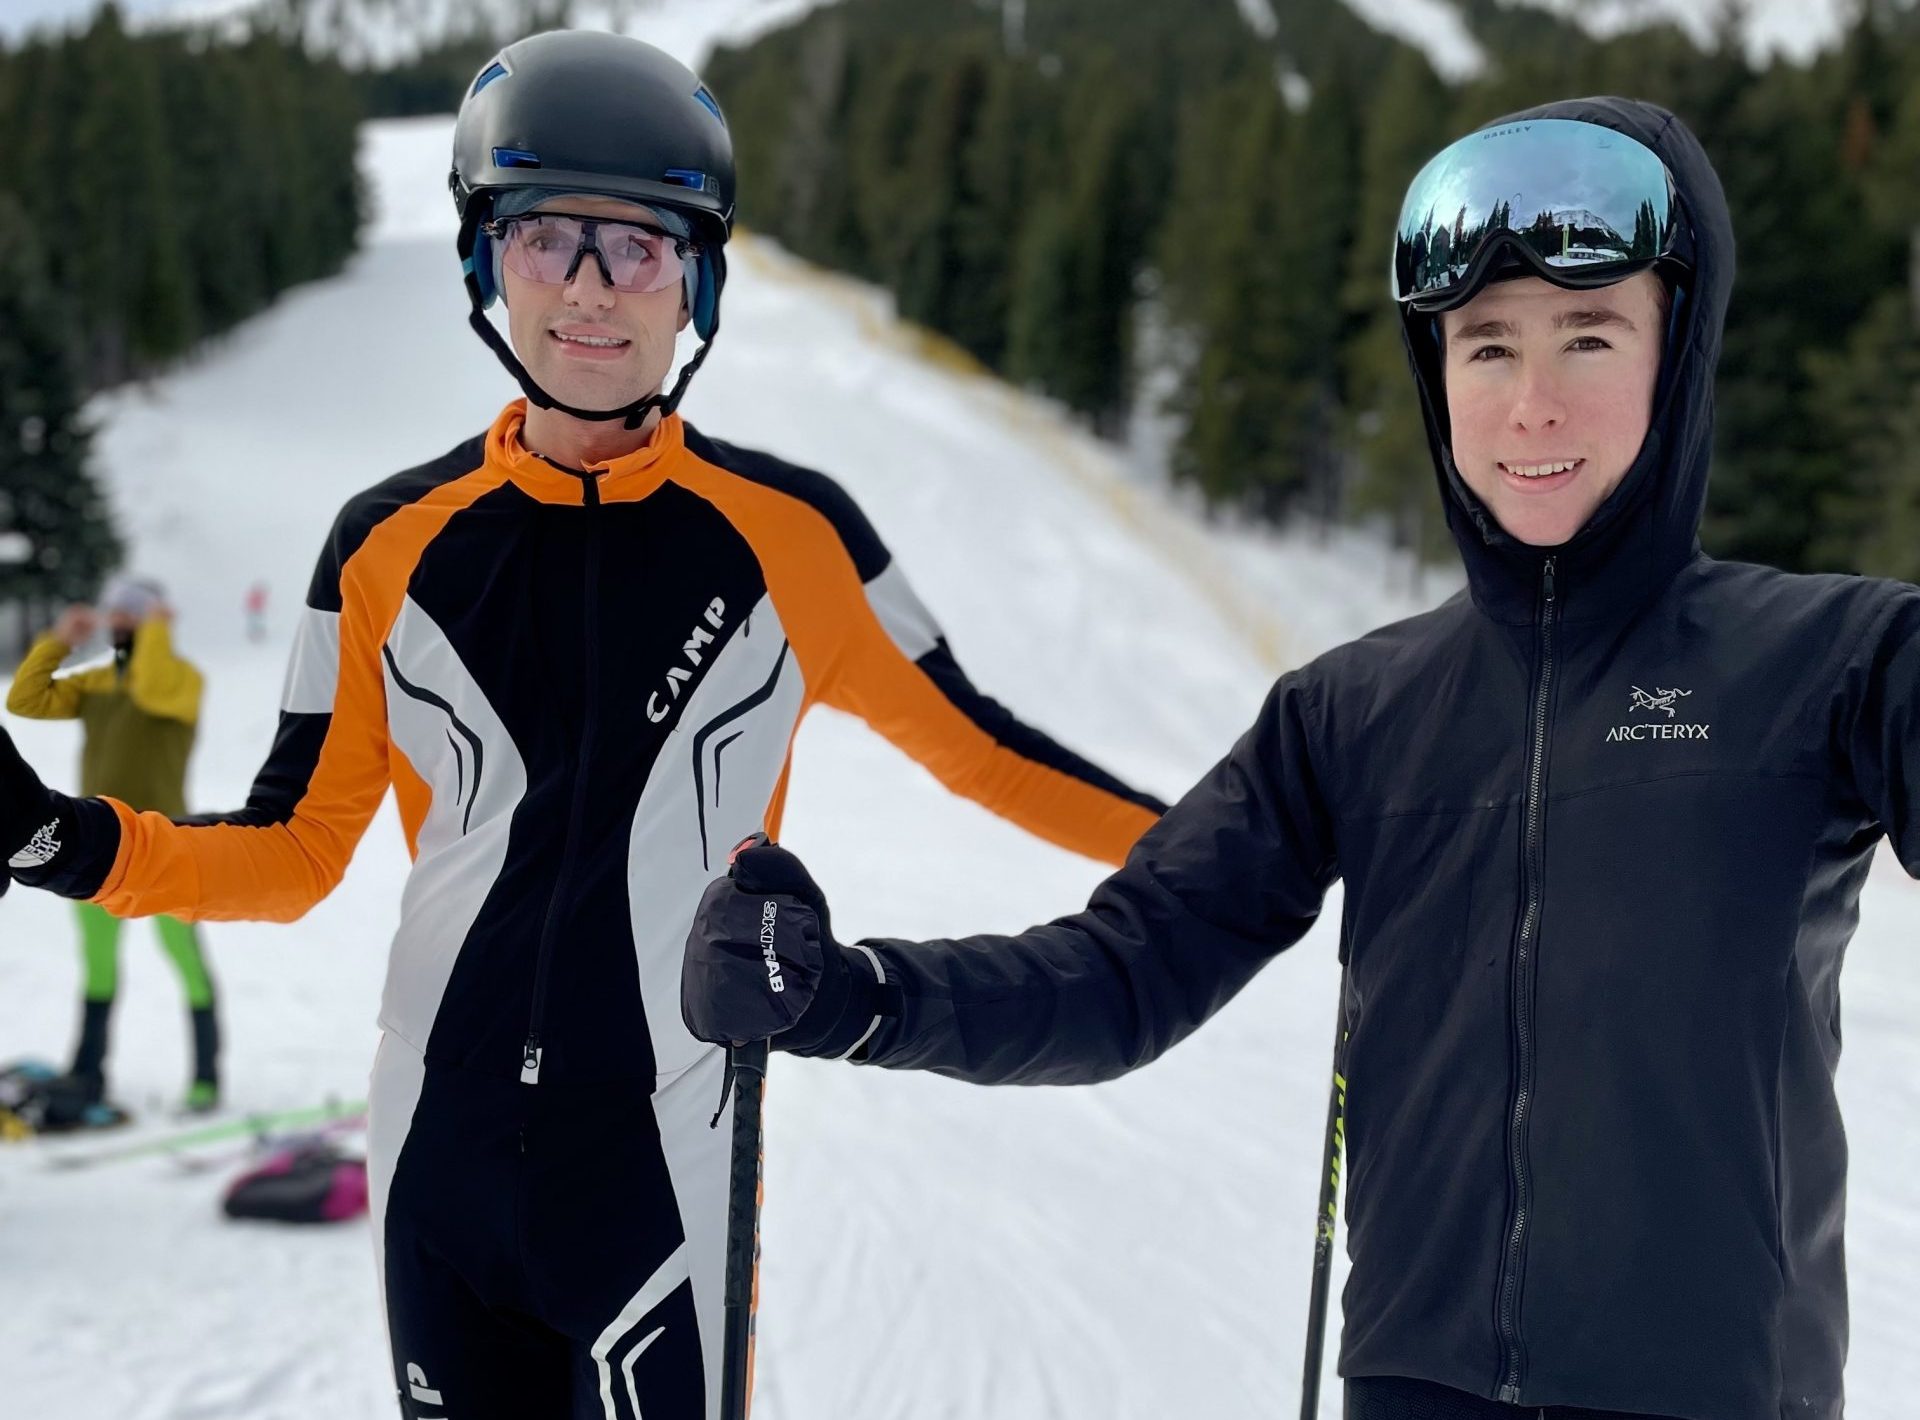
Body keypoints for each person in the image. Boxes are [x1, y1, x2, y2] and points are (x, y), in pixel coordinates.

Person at [682, 98, 1918, 1420]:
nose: (1531, 403)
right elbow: (1121, 972)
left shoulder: (1833, 663)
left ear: (1681, 351)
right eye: (1487, 346)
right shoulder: (1355, 711)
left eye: (1590, 336)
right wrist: (849, 995)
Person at [0, 30, 1164, 1420]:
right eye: (549, 237)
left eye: (642, 245)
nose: (594, 288)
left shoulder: (794, 538)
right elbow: (293, 847)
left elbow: (988, 749)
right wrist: (59, 841)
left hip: (662, 1162)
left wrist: (1238, 848)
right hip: (436, 1152)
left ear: (699, 285)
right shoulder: (383, 546)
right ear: (486, 263)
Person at [6, 575, 220, 1122]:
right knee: (98, 965)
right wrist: (60, 641)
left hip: (169, 845)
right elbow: (25, 699)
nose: (120, 619)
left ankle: (205, 1077)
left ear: (155, 618)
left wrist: (153, 632)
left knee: (185, 960)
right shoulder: (99, 681)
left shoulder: (182, 679)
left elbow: (150, 686)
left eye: (133, 611)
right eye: (116, 610)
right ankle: (87, 1072)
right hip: (99, 846)